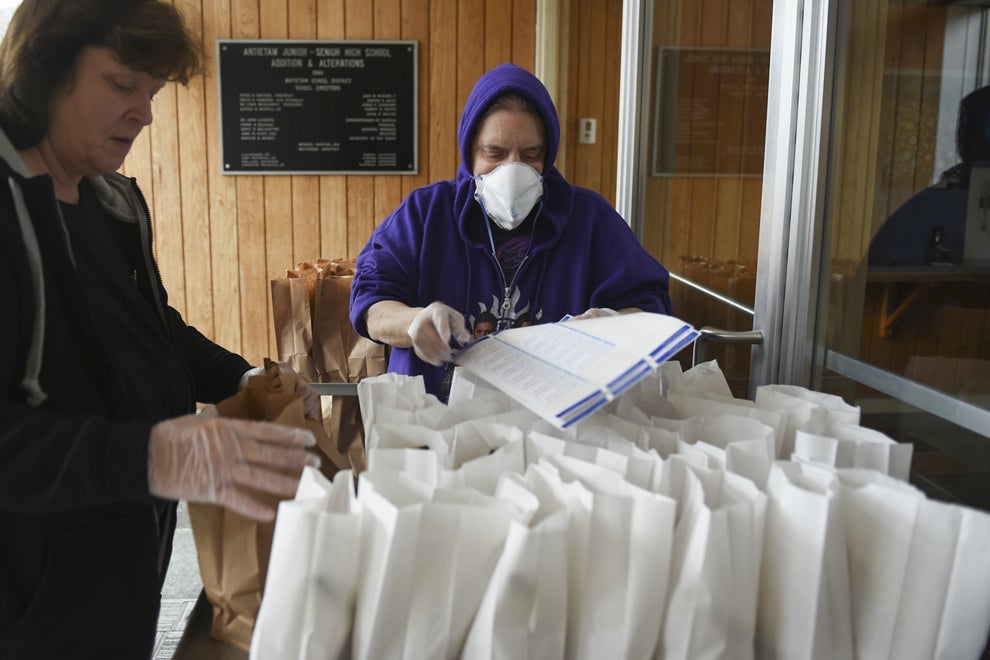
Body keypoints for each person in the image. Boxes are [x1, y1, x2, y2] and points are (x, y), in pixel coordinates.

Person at [0, 2, 321, 657]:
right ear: (43, 69)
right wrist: (148, 454)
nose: (144, 113)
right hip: (28, 595)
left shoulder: (108, 199)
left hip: (126, 558)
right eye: (123, 85)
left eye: (151, 92)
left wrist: (241, 374)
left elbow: (151, 330)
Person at [350, 63, 673, 398]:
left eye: (531, 155)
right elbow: (370, 300)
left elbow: (654, 305)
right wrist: (412, 322)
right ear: (469, 151)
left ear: (548, 156)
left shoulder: (590, 220)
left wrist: (611, 323)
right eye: (495, 153)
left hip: (552, 426)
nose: (513, 169)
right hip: (434, 423)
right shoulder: (425, 214)